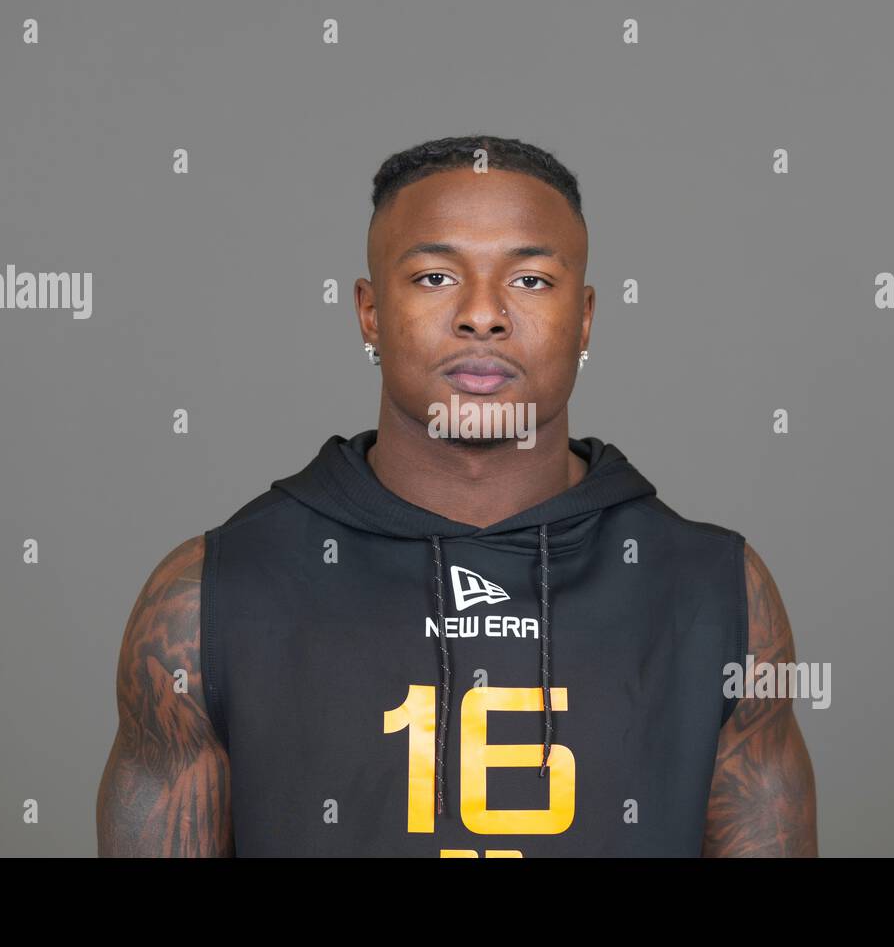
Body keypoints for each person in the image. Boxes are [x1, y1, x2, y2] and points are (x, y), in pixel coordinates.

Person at [96, 135, 817, 856]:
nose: (482, 314)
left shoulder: (714, 593)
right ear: (370, 312)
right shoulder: (209, 599)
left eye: (531, 280)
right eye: (436, 277)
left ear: (587, 317)